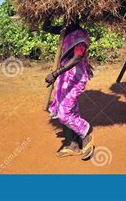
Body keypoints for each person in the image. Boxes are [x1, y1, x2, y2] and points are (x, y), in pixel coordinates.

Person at [43, 17, 94, 159]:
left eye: (70, 17)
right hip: (64, 77)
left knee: (64, 113)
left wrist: (55, 73)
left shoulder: (81, 35)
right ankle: (72, 144)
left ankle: (85, 133)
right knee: (63, 109)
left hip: (75, 77)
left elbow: (77, 57)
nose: (67, 19)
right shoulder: (65, 30)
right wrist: (49, 13)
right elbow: (45, 28)